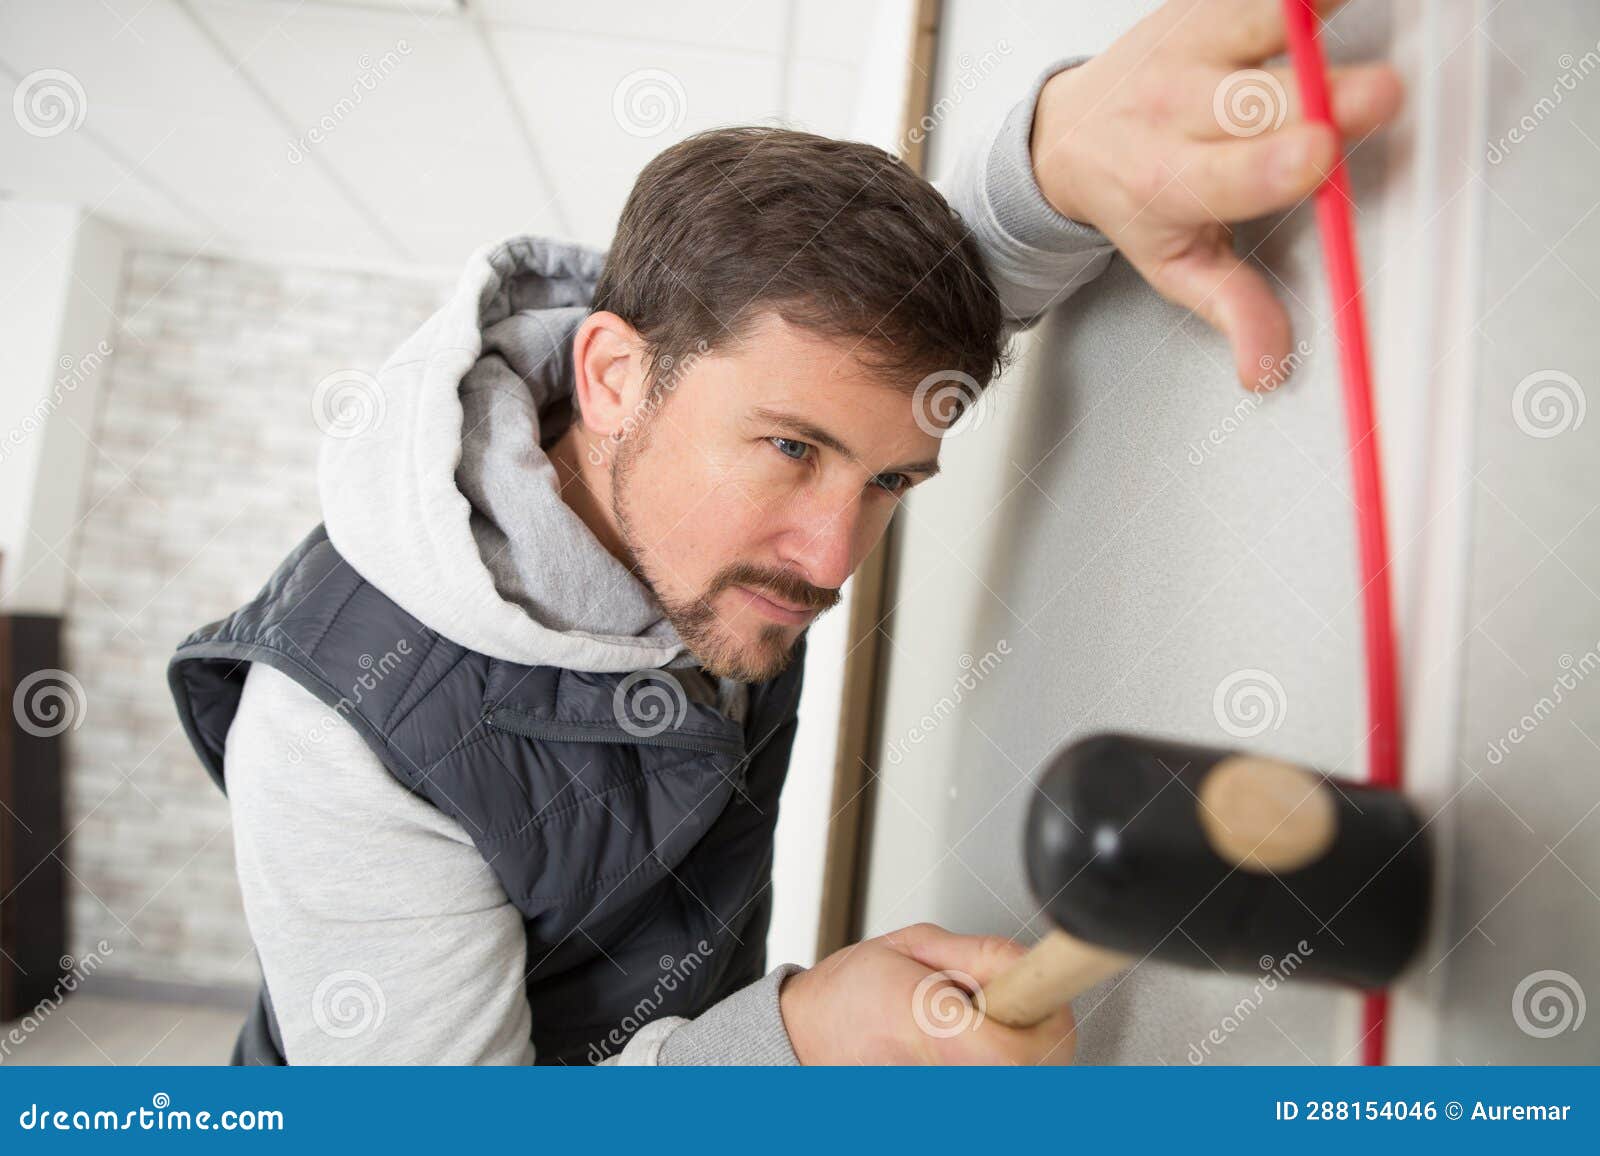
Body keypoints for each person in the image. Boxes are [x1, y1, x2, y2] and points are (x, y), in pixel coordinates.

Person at [169, 0, 1401, 1065]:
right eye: (791, 452)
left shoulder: (708, 434)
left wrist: (1059, 158)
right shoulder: (337, 738)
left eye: (889, 480)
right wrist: (794, 1041)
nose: (828, 558)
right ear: (611, 377)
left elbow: (878, 345)